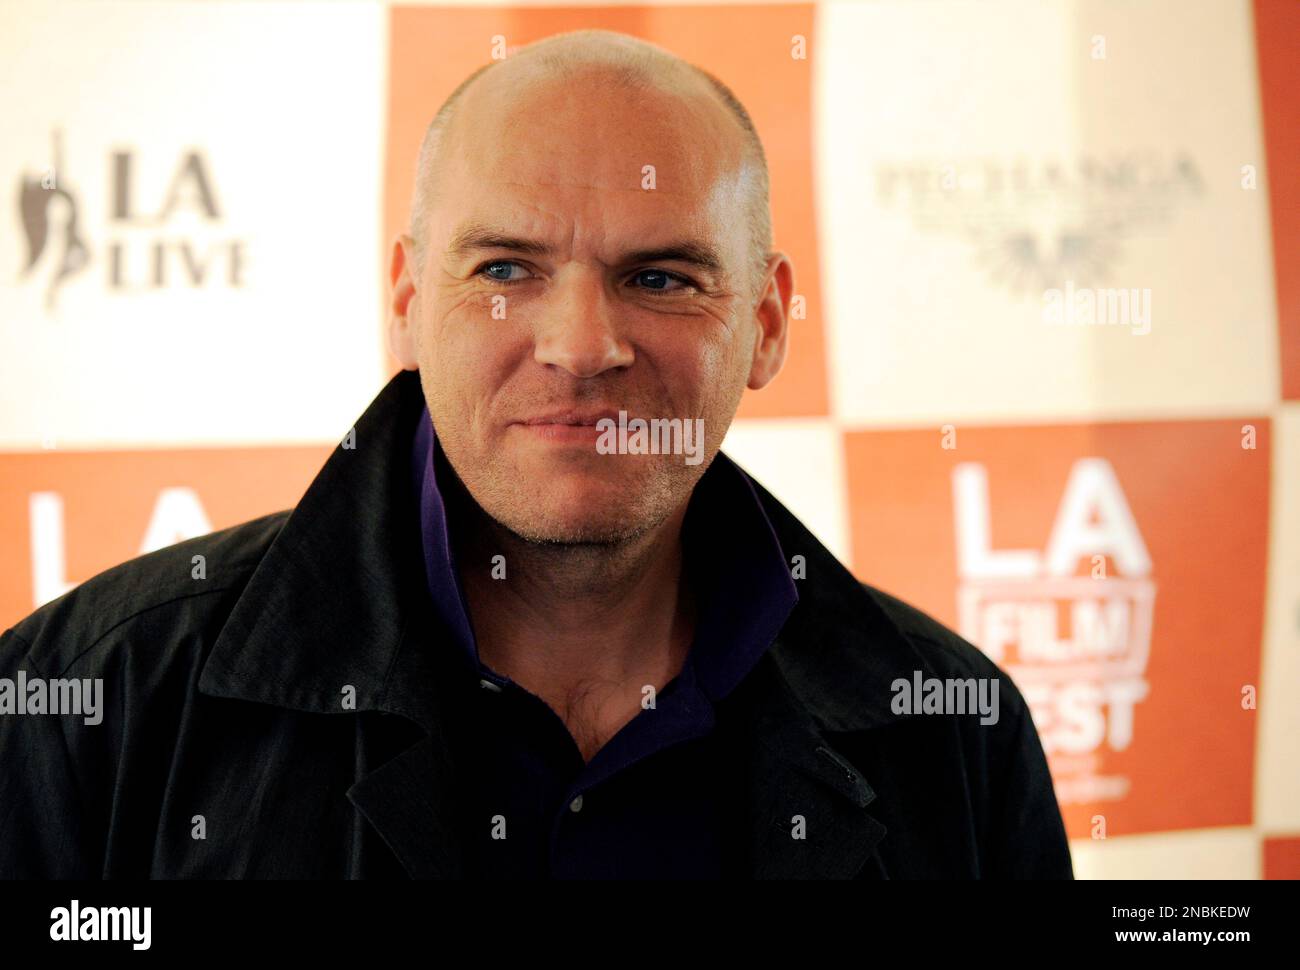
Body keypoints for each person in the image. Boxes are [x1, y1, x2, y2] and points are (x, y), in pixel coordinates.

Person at [0, 29, 1072, 879]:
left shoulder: (950, 728)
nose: (580, 347)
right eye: (506, 267)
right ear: (409, 305)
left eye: (659, 277)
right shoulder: (91, 699)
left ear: (767, 322)